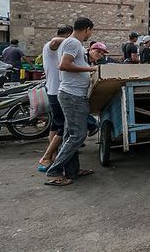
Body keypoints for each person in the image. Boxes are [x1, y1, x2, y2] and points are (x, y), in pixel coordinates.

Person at [45, 17, 97, 187]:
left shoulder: (72, 43)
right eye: (91, 31)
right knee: (78, 135)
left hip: (72, 94)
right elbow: (64, 65)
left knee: (70, 134)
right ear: (87, 29)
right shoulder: (73, 43)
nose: (91, 34)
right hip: (72, 95)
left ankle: (73, 170)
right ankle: (54, 171)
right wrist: (91, 69)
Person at [37, 26, 73, 172]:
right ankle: (46, 157)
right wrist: (72, 41)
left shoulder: (55, 51)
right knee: (63, 127)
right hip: (57, 92)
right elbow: (54, 41)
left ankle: (52, 157)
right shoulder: (51, 46)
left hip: (53, 90)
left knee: (54, 126)